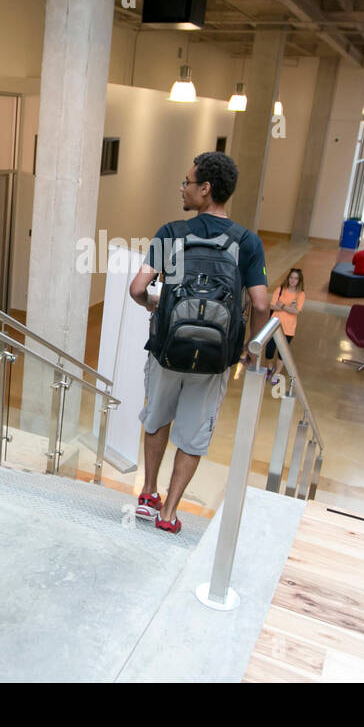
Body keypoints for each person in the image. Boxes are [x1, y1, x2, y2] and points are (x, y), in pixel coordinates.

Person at [128, 152, 269, 535]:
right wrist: (250, 352)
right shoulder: (247, 241)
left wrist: (156, 306)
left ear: (205, 189)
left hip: (167, 349)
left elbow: (138, 288)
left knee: (157, 418)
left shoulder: (171, 233)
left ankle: (148, 494)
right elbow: (260, 304)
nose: (182, 188)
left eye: (187, 182)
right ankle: (170, 512)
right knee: (193, 432)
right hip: (214, 358)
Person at [265, 268, 306, 385]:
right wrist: (289, 307)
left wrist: (282, 305)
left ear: (299, 281)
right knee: (269, 351)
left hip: (289, 328)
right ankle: (270, 367)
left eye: (296, 278)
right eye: (291, 277)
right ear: (288, 278)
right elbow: (272, 306)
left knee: (282, 353)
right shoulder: (280, 289)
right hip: (274, 325)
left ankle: (277, 372)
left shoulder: (301, 294)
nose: (293, 280)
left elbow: (296, 311)